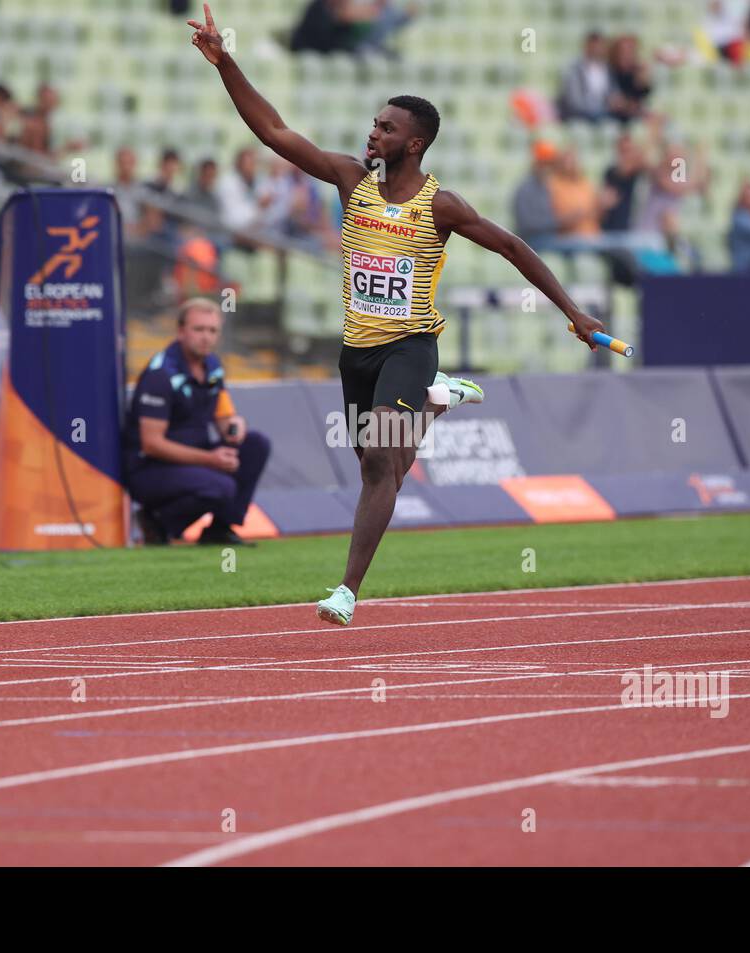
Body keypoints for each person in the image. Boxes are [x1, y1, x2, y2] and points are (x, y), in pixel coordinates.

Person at [188, 3, 607, 625]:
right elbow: (274, 132)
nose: (371, 134)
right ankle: (436, 401)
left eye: (384, 128)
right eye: (372, 123)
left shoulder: (442, 207)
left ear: (413, 143)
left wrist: (575, 313)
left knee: (383, 457)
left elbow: (514, 247)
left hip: (411, 345)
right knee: (374, 462)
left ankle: (347, 590)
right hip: (356, 351)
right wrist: (226, 63)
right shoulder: (348, 180)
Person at [122, 298, 270, 545]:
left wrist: (234, 425)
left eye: (212, 330)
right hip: (151, 468)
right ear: (181, 331)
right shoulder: (161, 374)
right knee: (222, 486)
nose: (206, 337)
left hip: (197, 457)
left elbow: (223, 416)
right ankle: (157, 521)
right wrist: (211, 460)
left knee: (256, 445)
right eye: (199, 329)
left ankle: (219, 529)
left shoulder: (212, 366)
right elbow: (152, 444)